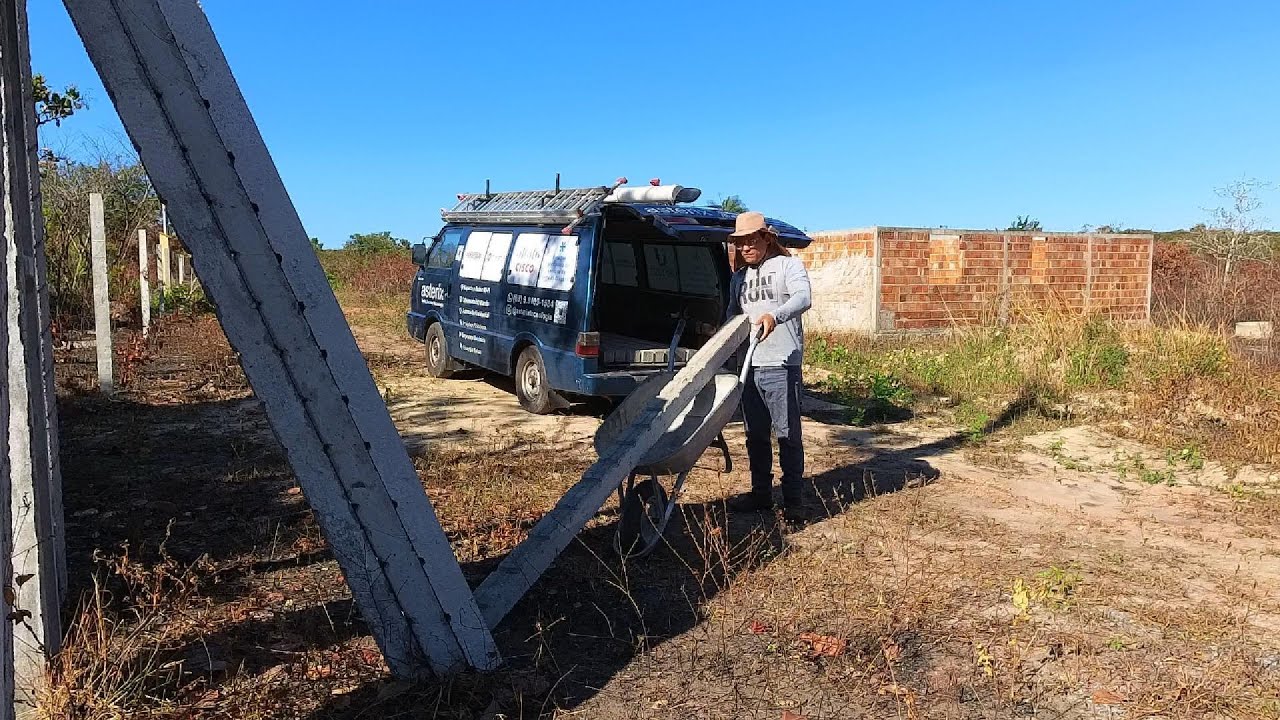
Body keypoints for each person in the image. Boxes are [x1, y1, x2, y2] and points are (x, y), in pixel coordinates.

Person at [723, 211, 812, 521]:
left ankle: (794, 502)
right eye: (740, 243)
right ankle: (761, 494)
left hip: (781, 363)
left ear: (766, 239)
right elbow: (732, 318)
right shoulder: (738, 278)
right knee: (755, 435)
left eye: (751, 241)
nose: (746, 248)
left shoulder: (788, 266)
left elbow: (803, 298)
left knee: (787, 435)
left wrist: (776, 316)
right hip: (749, 365)